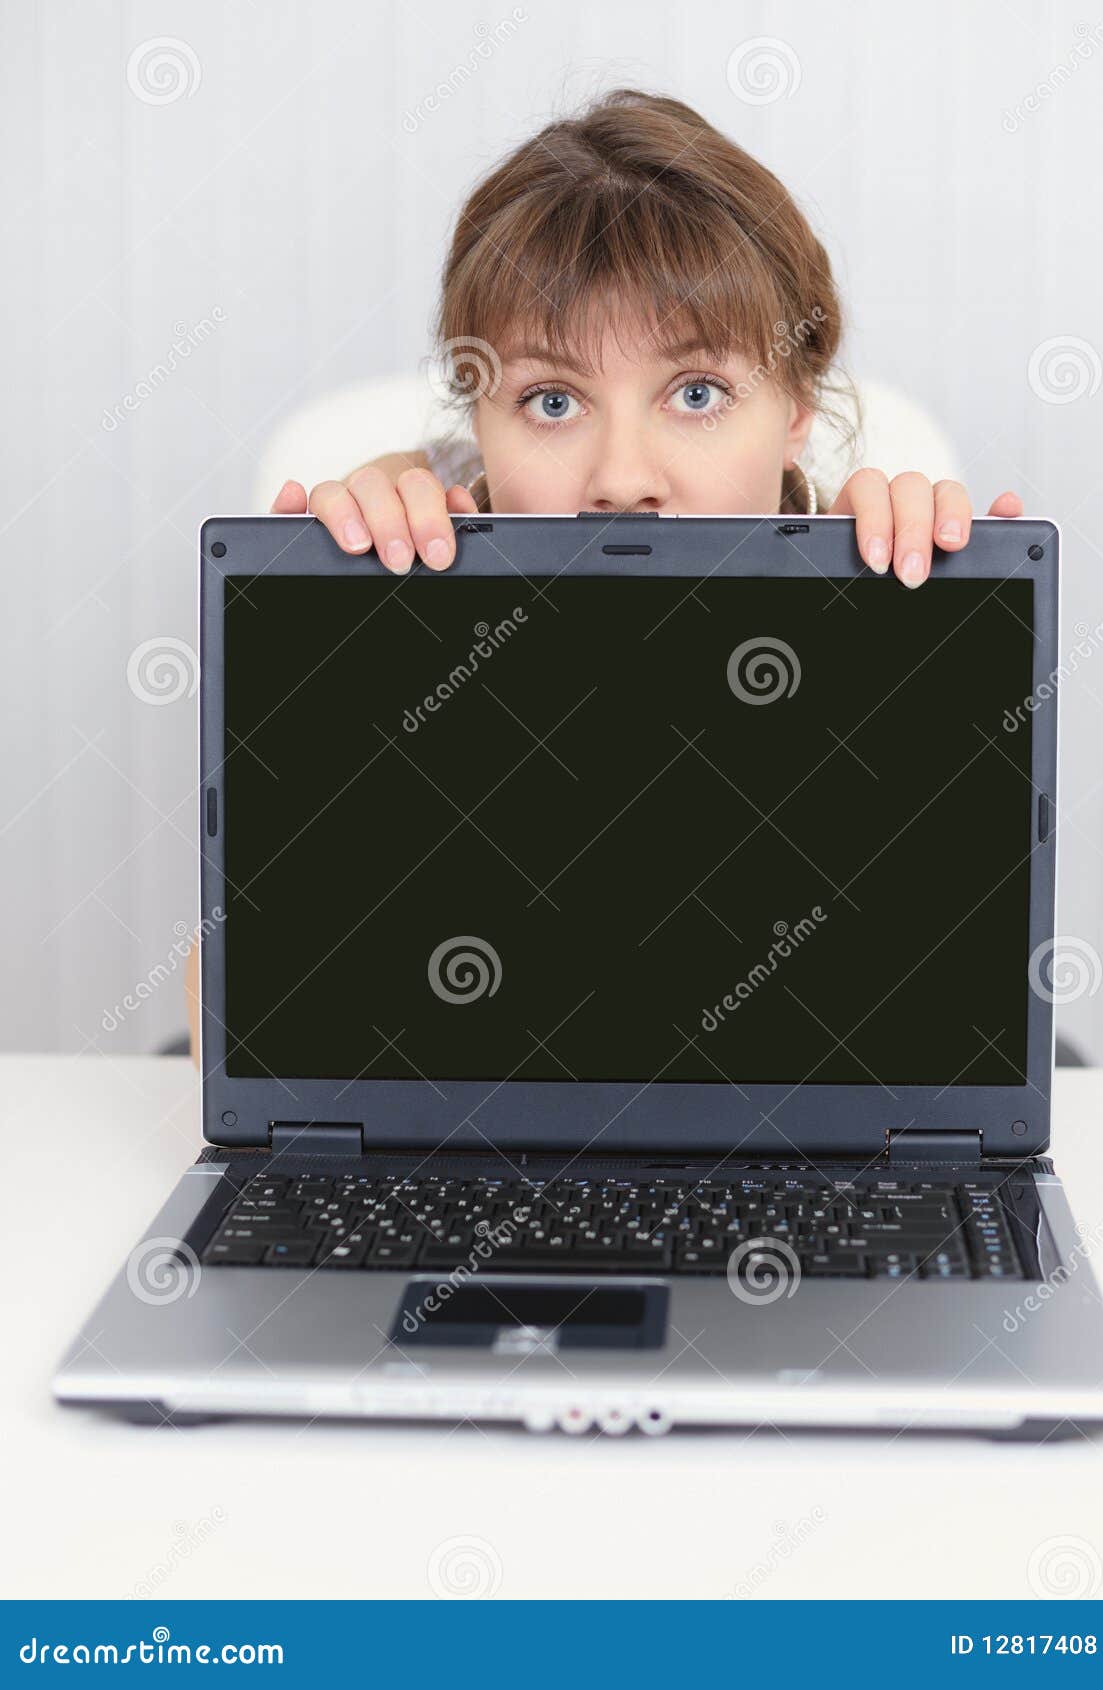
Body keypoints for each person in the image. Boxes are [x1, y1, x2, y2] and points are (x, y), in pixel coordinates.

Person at [186, 87, 1022, 1062]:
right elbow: (238, 1049)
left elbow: (941, 1046)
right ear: (477, 421)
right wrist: (332, 643)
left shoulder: (871, 577)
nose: (623, 479)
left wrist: (919, 650)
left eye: (698, 393)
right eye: (550, 401)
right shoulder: (414, 583)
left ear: (799, 404)